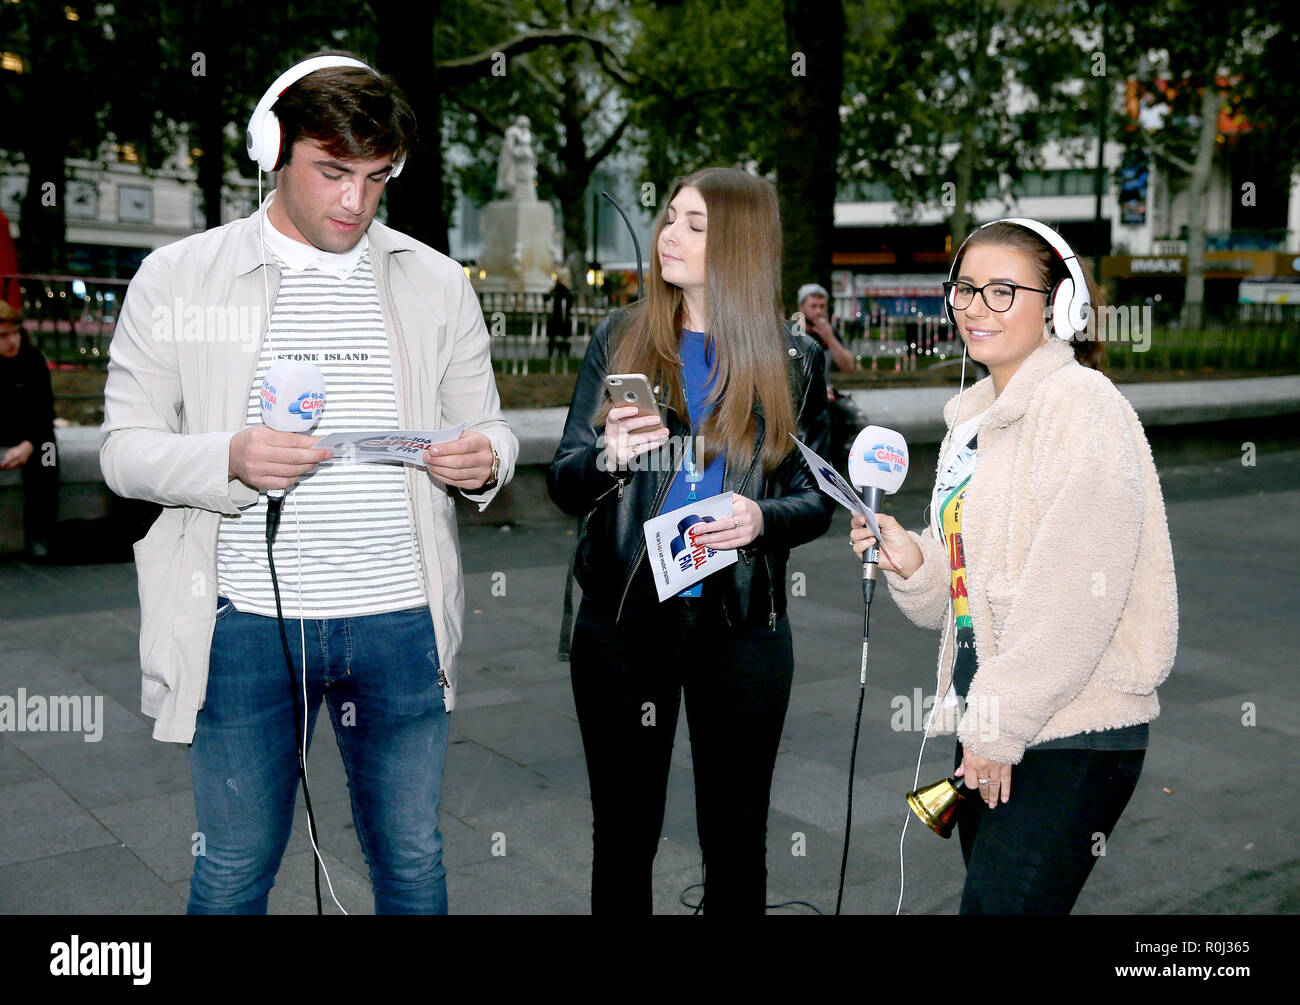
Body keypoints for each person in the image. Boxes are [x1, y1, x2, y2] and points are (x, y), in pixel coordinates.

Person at [100, 53, 517, 914]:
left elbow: (495, 426)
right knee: (233, 867)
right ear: (273, 150)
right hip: (243, 622)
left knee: (412, 860)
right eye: (332, 172)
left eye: (377, 176)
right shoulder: (178, 279)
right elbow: (123, 452)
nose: (354, 202)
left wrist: (487, 459)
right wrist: (228, 458)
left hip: (402, 618)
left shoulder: (439, 283)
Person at [850, 219, 1177, 914]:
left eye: (1003, 291)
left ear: (1060, 306)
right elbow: (969, 593)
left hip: (1071, 732)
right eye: (965, 288)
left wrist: (997, 727)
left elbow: (1074, 598)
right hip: (1000, 721)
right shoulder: (977, 419)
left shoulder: (1083, 407)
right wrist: (915, 561)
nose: (975, 307)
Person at [548, 167, 836, 914]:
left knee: (737, 839)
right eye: (670, 217)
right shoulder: (622, 335)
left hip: (741, 629)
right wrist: (608, 455)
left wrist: (761, 519)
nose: (668, 234)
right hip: (623, 624)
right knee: (623, 834)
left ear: (738, 244)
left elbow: (817, 503)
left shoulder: (793, 358)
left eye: (694, 224)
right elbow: (564, 479)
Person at [0, 301, 58, 559]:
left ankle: (42, 535)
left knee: (49, 453)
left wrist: (28, 444)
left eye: (15, 333)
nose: (12, 341)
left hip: (32, 434)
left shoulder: (32, 358)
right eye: (3, 336)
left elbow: (46, 411)